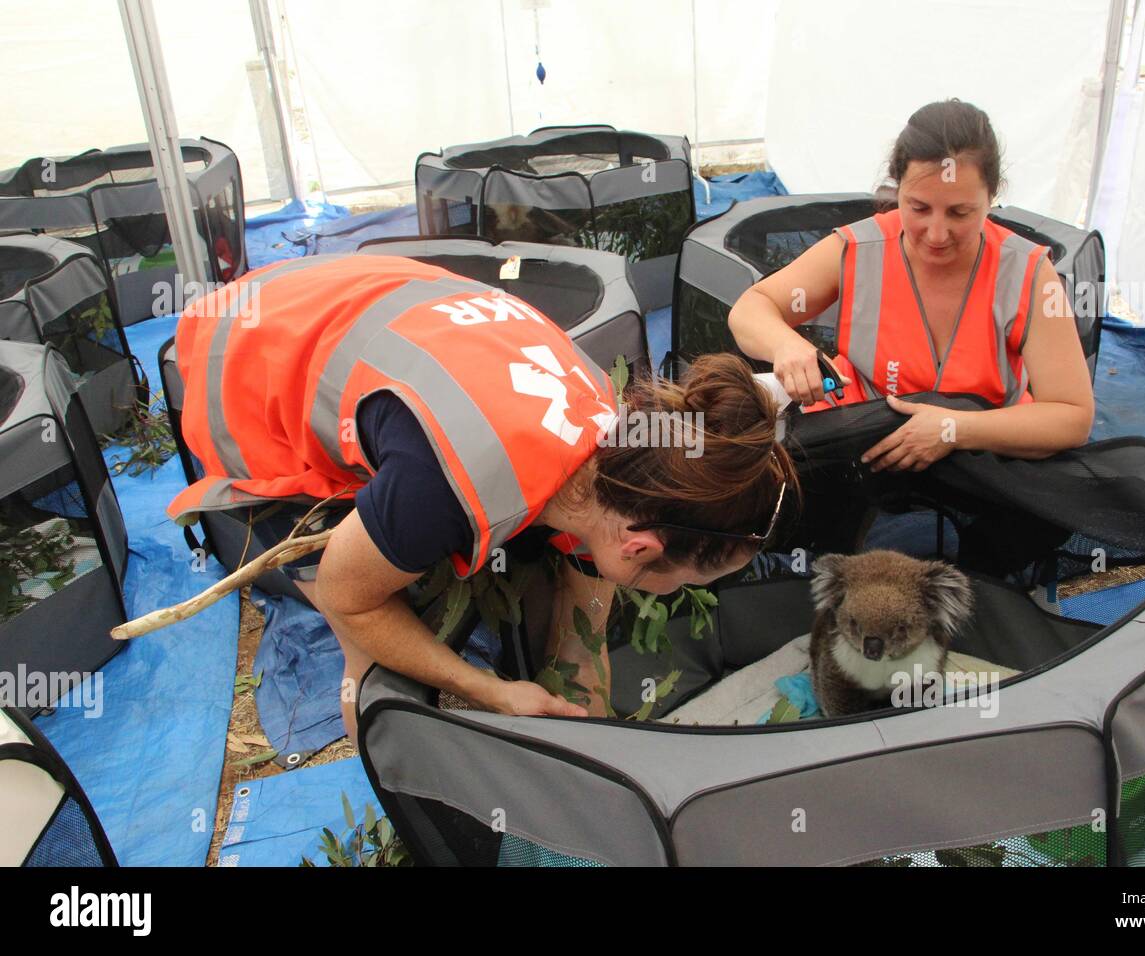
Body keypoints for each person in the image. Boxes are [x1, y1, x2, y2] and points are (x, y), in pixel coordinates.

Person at [167, 253, 795, 740]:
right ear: (639, 547)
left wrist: (588, 679)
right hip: (244, 346)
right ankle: (382, 761)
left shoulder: (625, 436)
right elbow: (346, 597)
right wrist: (490, 690)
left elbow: (590, 583)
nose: (683, 595)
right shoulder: (445, 486)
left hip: (354, 297)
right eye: (685, 583)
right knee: (365, 648)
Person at [728, 99, 1095, 473]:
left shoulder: (1028, 274)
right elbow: (751, 308)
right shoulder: (858, 250)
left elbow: (1071, 416)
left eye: (960, 212)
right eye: (918, 208)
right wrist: (786, 344)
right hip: (857, 438)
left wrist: (953, 429)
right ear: (897, 188)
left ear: (992, 197)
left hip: (982, 450)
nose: (937, 234)